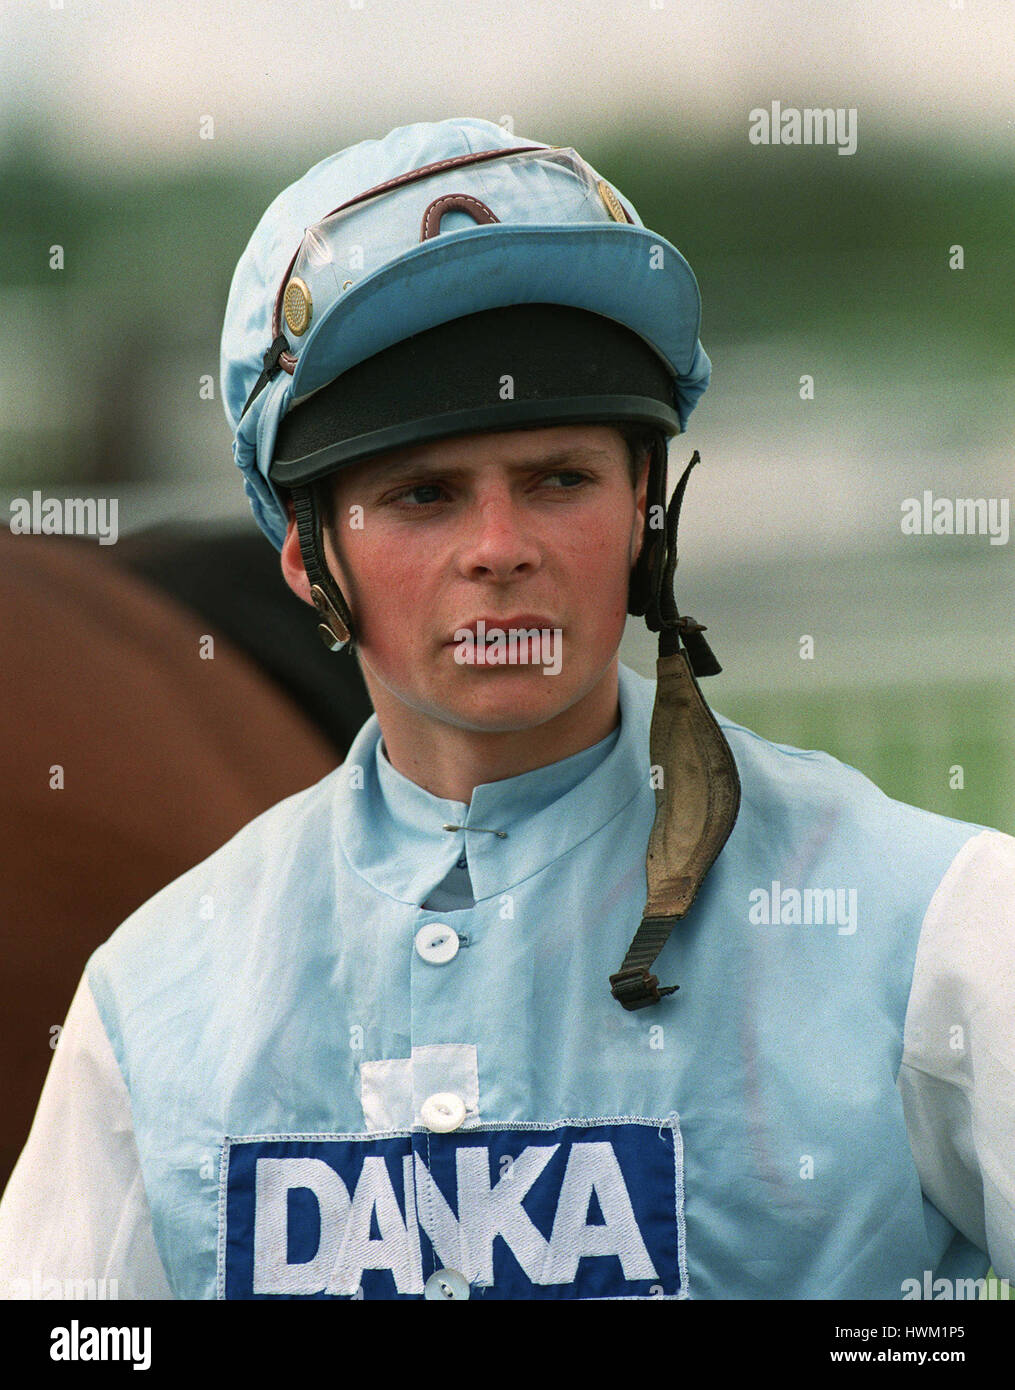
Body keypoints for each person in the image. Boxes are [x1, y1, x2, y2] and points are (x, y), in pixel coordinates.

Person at [0, 117, 1011, 1302]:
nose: (498, 548)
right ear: (304, 554)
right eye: (423, 494)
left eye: (559, 480)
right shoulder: (149, 1000)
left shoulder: (937, 924)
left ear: (645, 506)